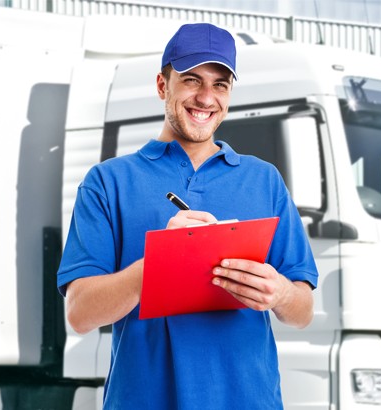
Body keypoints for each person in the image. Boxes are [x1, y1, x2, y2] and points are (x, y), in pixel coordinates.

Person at [57, 22, 318, 409]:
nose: (206, 98)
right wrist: (162, 261)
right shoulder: (108, 182)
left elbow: (303, 310)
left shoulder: (264, 181)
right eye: (192, 80)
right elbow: (79, 314)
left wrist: (279, 293)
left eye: (220, 84)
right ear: (163, 85)